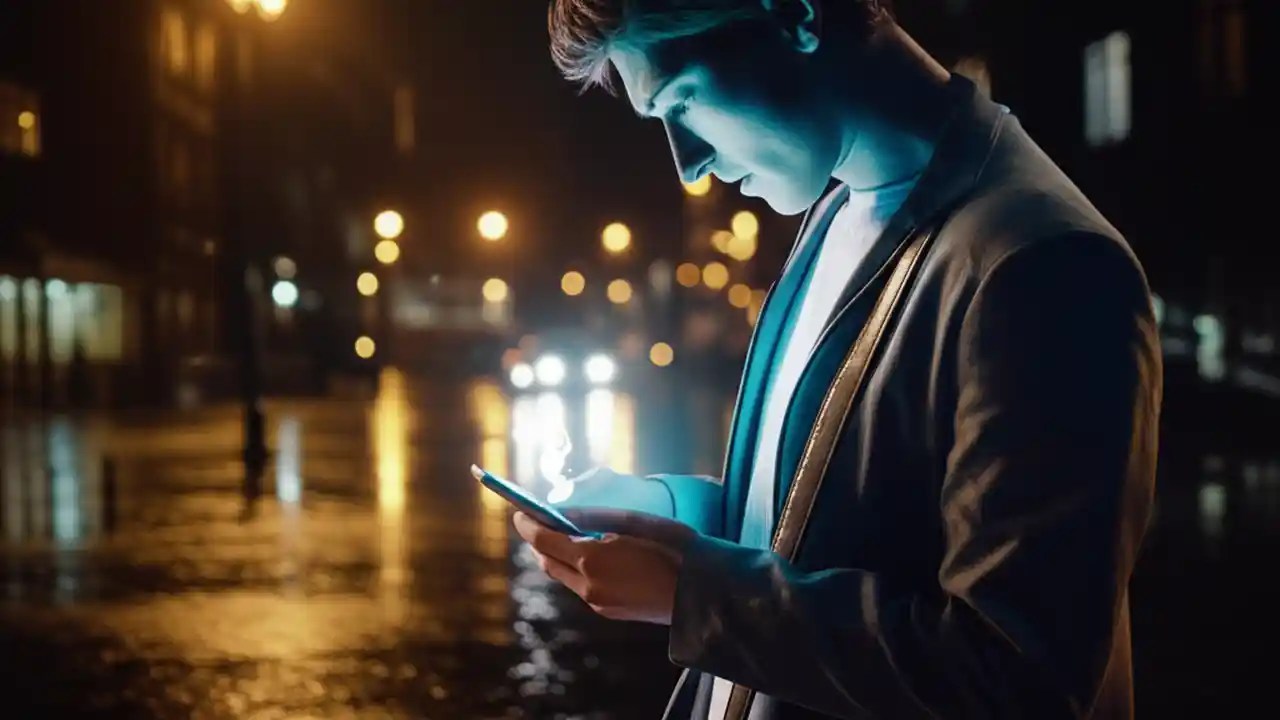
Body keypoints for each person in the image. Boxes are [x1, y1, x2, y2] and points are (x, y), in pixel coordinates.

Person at [513, 1, 1163, 718]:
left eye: (684, 100)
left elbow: (1015, 682)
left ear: (794, 14)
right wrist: (662, 514)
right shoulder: (832, 217)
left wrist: (697, 595)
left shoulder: (1047, 266)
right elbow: (809, 523)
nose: (688, 165)